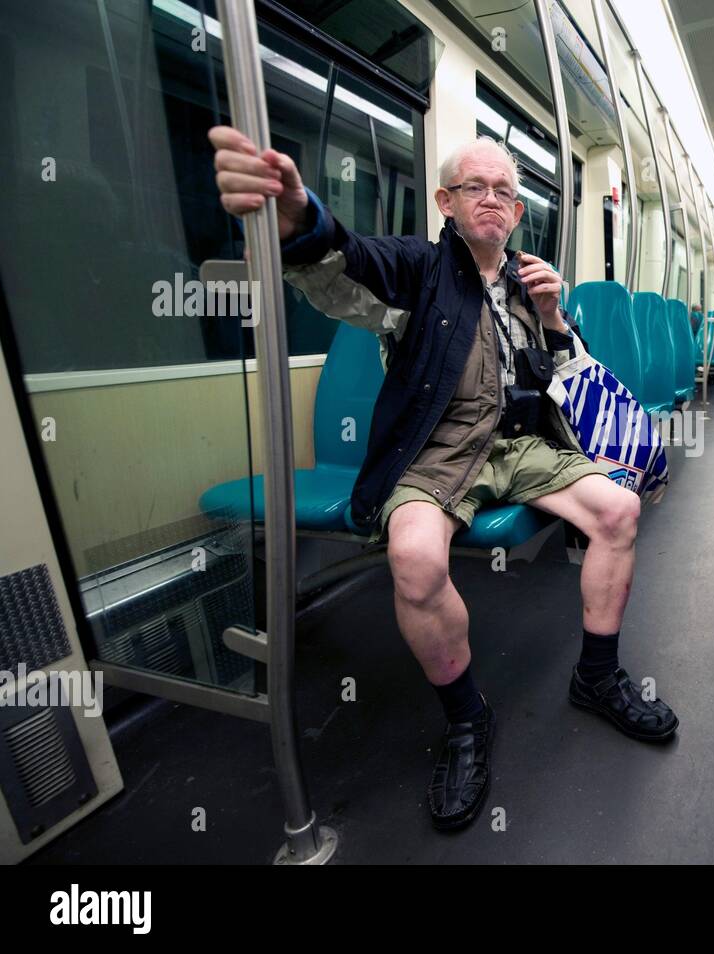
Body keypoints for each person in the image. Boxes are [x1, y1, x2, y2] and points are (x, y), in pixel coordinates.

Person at [208, 130, 679, 830]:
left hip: (522, 443)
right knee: (414, 558)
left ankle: (598, 676)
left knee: (618, 512)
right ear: (446, 201)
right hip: (439, 449)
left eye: (505, 192)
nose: (492, 200)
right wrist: (302, 225)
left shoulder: (528, 280)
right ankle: (467, 721)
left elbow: (567, 375)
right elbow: (351, 270)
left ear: (518, 213)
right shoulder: (417, 269)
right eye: (475, 188)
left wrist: (553, 317)